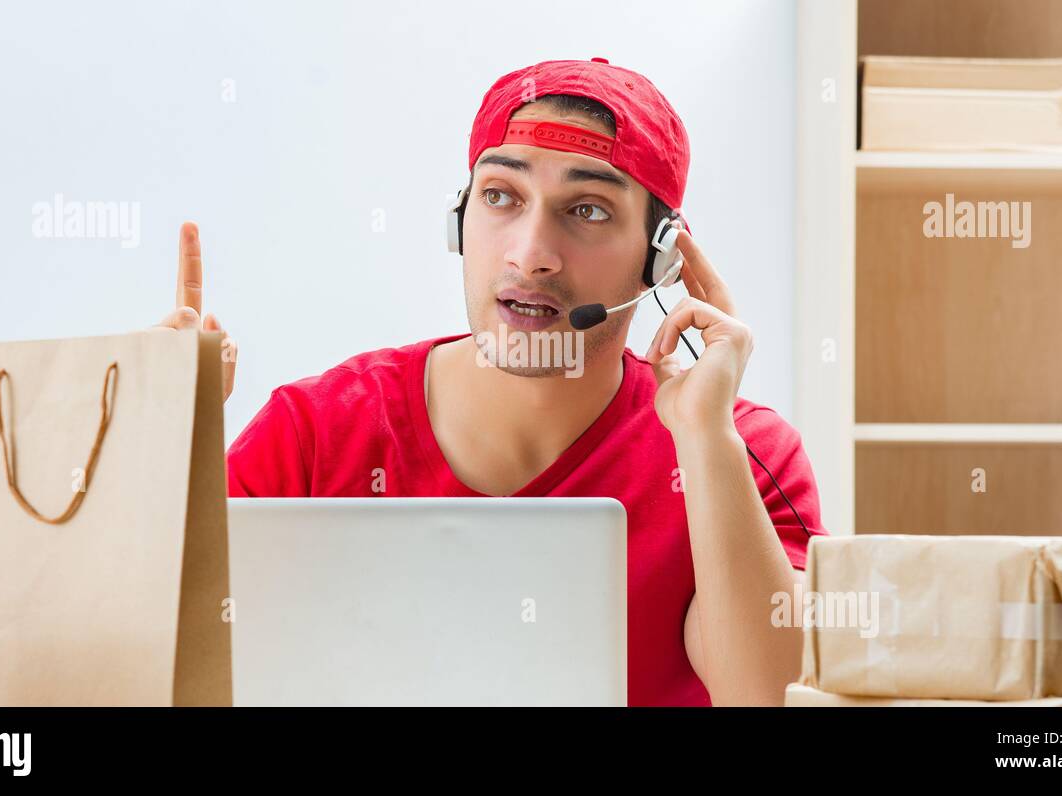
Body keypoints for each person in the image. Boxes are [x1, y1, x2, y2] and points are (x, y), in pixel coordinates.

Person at [155, 58, 828, 706]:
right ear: (460, 222)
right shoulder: (315, 432)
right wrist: (149, 459)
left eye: (587, 209)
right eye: (501, 196)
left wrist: (708, 443)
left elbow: (767, 700)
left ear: (662, 261)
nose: (530, 254)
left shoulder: (741, 453)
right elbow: (161, 667)